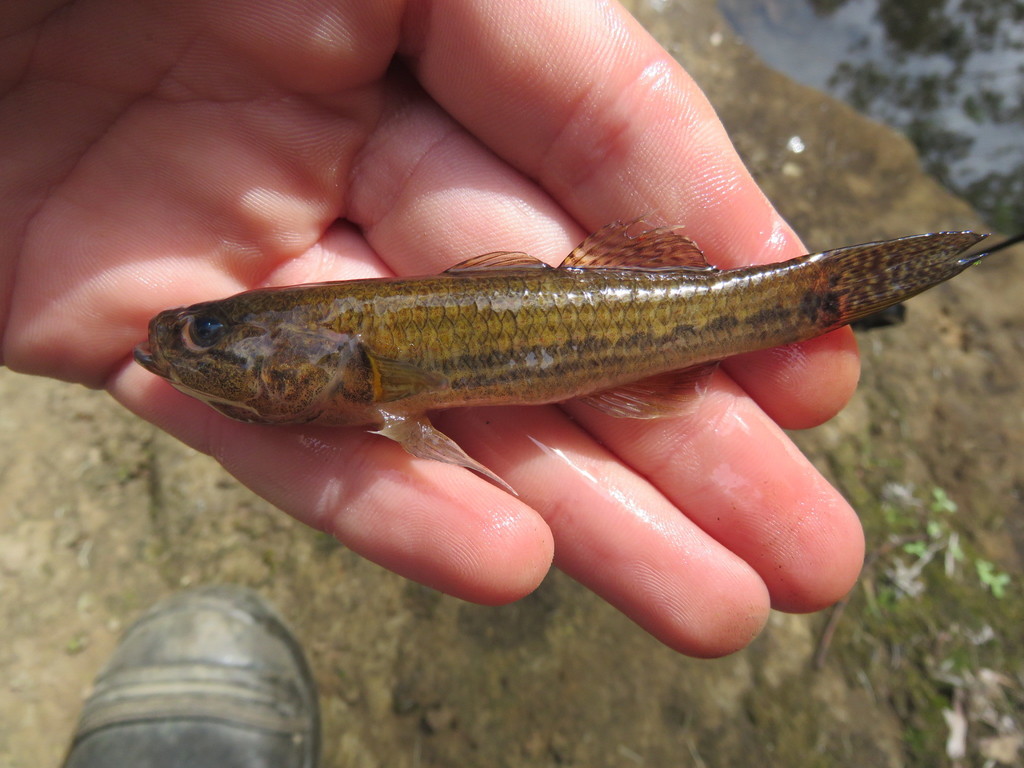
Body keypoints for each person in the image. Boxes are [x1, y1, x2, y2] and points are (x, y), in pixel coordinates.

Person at [3, 0, 863, 669]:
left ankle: (819, 295)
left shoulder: (357, 356)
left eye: (209, 335)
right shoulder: (353, 362)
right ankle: (817, 294)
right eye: (201, 336)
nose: (187, 348)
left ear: (309, 344)